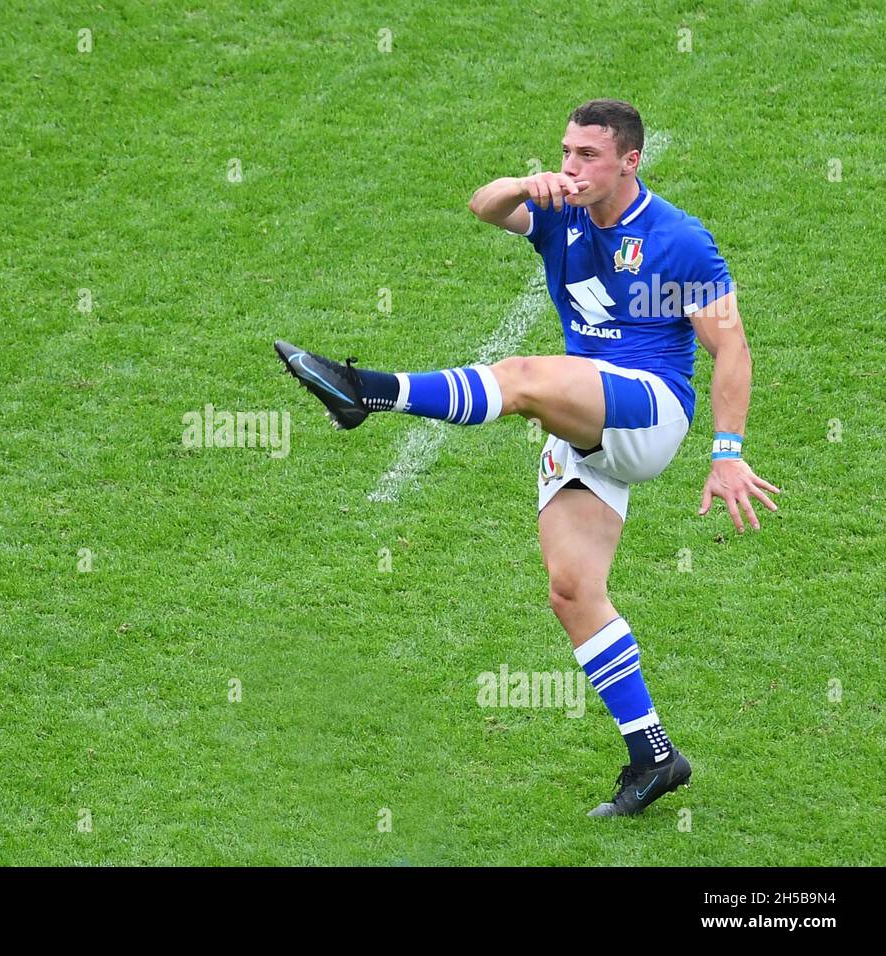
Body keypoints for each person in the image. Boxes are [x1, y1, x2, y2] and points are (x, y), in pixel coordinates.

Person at [274, 99, 780, 816]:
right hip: (587, 429)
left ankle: (364, 393)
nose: (572, 167)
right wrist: (524, 182)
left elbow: (731, 345)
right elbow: (482, 207)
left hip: (650, 410)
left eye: (588, 157)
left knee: (520, 378)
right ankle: (653, 755)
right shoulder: (559, 210)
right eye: (567, 152)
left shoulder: (677, 242)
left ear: (630, 161)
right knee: (573, 592)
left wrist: (727, 453)